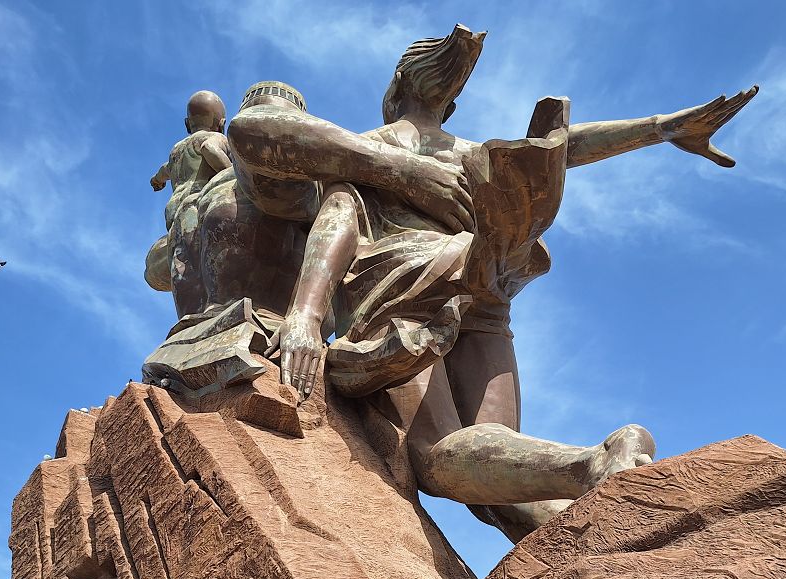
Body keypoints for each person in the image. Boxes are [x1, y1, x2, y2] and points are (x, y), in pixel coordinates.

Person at [228, 26, 756, 538]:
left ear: (394, 92)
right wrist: (660, 127)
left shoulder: (362, 150)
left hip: (408, 292)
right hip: (484, 289)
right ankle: (610, 525)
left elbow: (330, 205)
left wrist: (304, 316)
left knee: (438, 459)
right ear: (448, 105)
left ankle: (596, 460)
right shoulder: (470, 157)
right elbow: (559, 148)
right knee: (496, 475)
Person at [148, 91, 234, 312]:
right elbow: (209, 150)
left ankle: (188, 315)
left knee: (182, 266)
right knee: (205, 260)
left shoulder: (177, 149)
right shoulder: (215, 138)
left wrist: (157, 181)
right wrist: (232, 173)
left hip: (175, 212)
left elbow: (163, 171)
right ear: (221, 123)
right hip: (198, 203)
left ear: (187, 123)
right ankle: (214, 306)